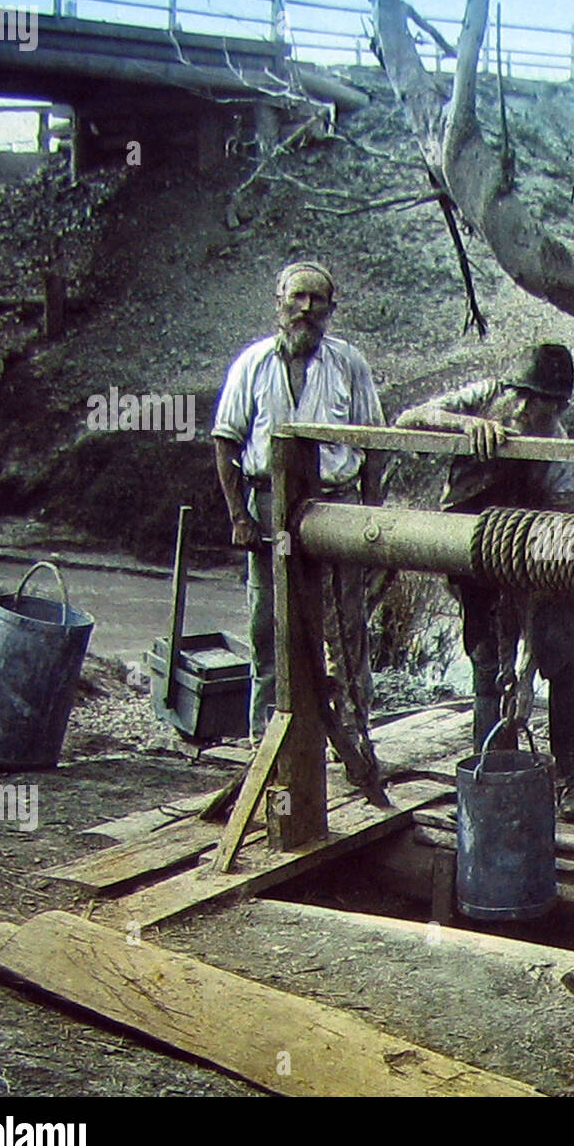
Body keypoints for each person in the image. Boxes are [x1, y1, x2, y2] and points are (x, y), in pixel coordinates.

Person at [396, 344, 574, 816]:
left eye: (538, 402)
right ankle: (494, 779)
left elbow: (558, 543)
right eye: (519, 395)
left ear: (559, 408)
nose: (523, 409)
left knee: (562, 663)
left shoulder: (559, 462)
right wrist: (464, 425)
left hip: (545, 556)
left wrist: (527, 667)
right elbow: (408, 419)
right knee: (488, 668)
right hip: (476, 551)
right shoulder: (486, 397)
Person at [211, 261, 384, 772]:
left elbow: (374, 443)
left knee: (346, 626)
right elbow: (225, 442)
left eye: (317, 300)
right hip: (270, 507)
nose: (306, 309)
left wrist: (370, 518)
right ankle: (267, 742)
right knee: (269, 624)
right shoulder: (252, 364)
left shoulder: (349, 364)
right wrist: (239, 516)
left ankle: (356, 737)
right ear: (279, 302)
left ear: (331, 308)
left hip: (336, 506)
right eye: (297, 298)